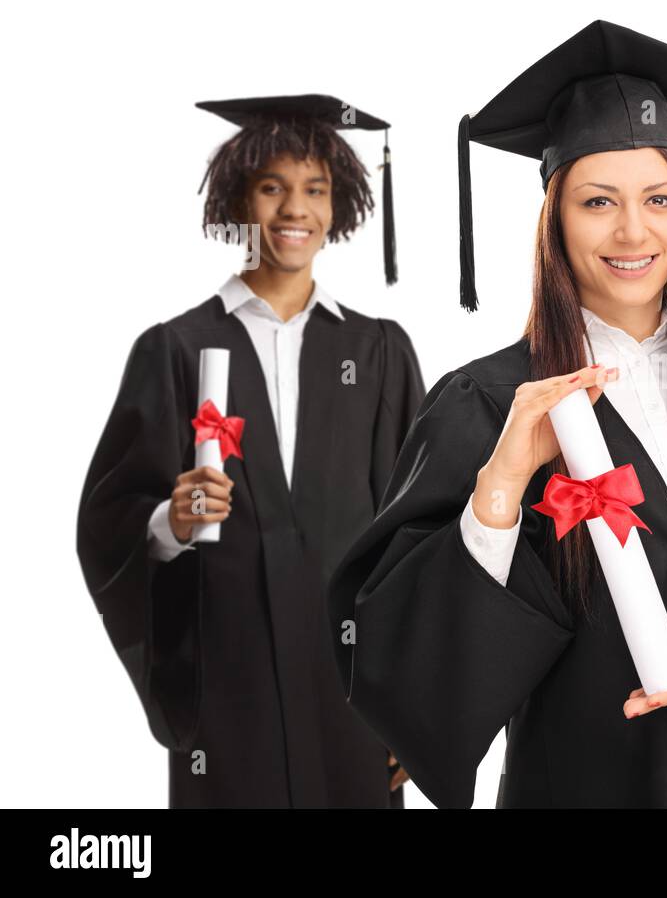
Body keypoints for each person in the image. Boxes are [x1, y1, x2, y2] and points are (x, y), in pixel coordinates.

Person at [328, 20, 667, 808]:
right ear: (554, 219)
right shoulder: (489, 404)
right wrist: (501, 490)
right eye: (597, 202)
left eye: (659, 199)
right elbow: (401, 663)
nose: (633, 231)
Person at [76, 94, 425, 807]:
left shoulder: (378, 353)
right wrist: (169, 524)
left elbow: (415, 539)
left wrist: (414, 711)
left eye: (315, 190)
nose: (295, 209)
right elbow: (106, 520)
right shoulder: (174, 349)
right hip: (227, 687)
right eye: (272, 188)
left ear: (340, 204)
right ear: (239, 199)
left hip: (351, 692)